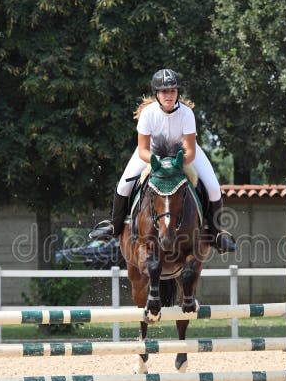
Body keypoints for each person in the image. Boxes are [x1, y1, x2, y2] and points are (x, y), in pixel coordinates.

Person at [89, 68, 236, 253]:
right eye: (165, 91)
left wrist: (179, 162)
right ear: (157, 93)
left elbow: (190, 149)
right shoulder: (148, 113)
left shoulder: (187, 113)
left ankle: (216, 235)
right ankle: (114, 226)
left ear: (178, 93)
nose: (169, 95)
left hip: (183, 154)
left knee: (214, 187)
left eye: (173, 91)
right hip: (152, 154)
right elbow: (142, 149)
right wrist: (155, 160)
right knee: (123, 186)